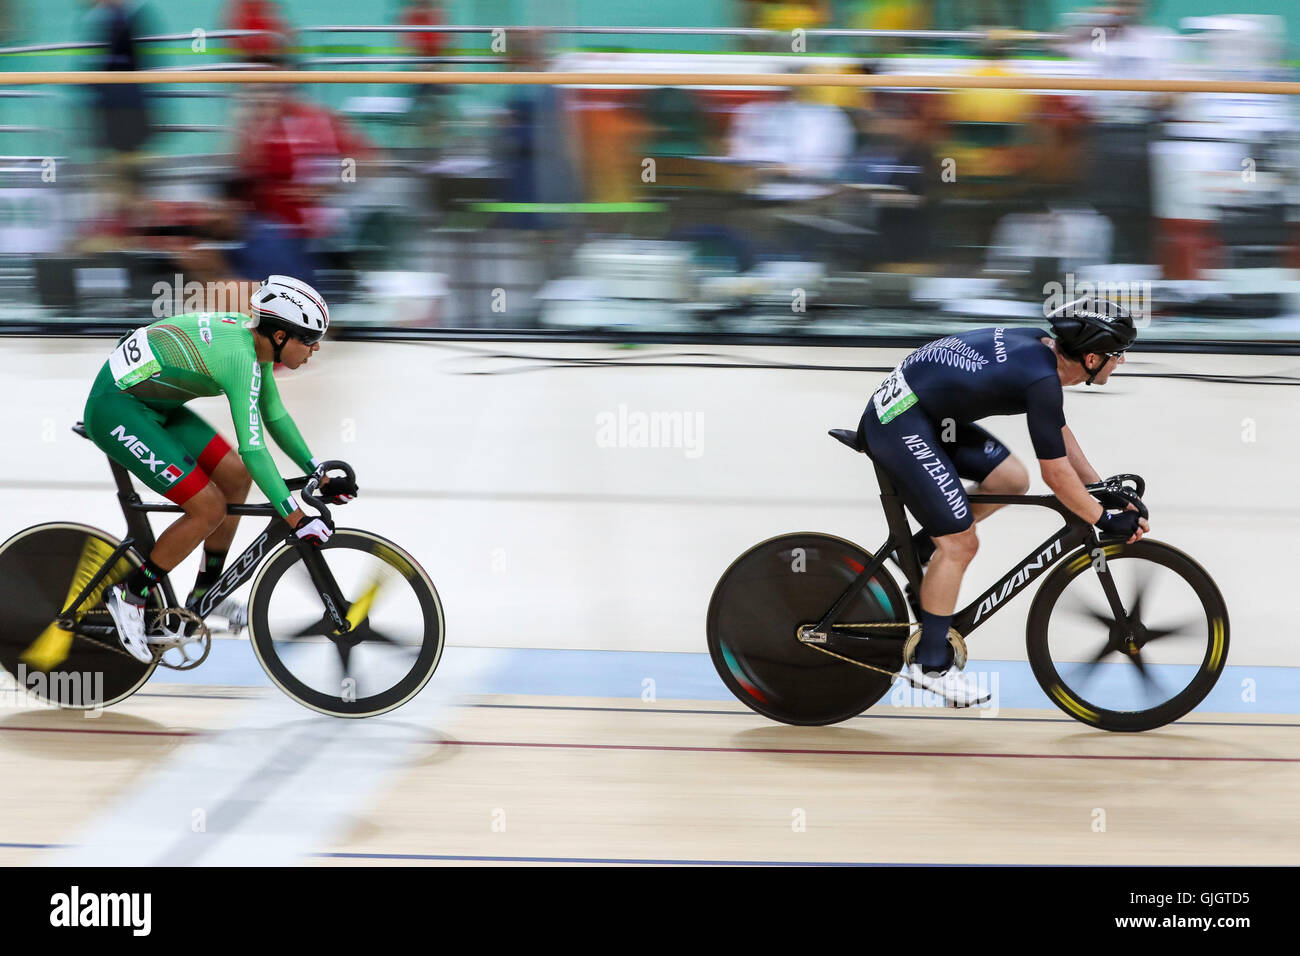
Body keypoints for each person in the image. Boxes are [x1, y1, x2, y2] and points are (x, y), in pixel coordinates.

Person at [859, 298, 1147, 706]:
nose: (1121, 363)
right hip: (899, 422)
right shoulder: (1041, 380)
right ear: (1092, 356)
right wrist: (1104, 518)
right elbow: (1056, 475)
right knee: (961, 542)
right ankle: (930, 666)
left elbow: (1056, 431)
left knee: (1010, 478)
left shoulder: (1042, 354)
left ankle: (923, 552)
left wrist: (1099, 487)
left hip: (922, 413)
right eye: (1118, 355)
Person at [84, 275, 357, 662]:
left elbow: (274, 416)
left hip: (152, 404)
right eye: (309, 340)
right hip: (116, 409)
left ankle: (202, 596)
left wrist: (316, 471)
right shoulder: (241, 358)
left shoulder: (254, 345)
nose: (314, 349)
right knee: (209, 508)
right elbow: (254, 447)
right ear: (280, 336)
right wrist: (294, 516)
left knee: (234, 477)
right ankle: (131, 594)